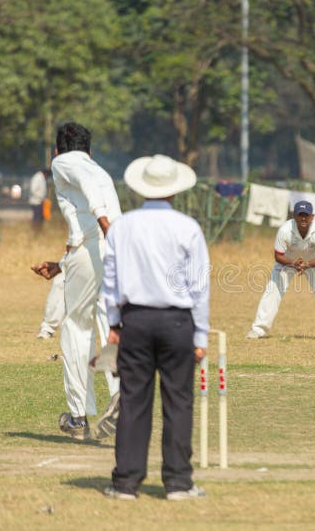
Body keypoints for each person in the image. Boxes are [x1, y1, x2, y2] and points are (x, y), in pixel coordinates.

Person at [100, 154, 208, 501]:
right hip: (177, 321)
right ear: (174, 191)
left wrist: (114, 323)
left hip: (135, 320)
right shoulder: (187, 227)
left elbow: (111, 281)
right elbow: (199, 285)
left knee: (134, 400)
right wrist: (200, 334)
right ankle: (178, 483)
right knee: (178, 400)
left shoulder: (123, 226)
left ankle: (126, 484)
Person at [30, 121, 121, 440]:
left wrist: (104, 221)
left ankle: (78, 416)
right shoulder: (100, 169)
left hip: (96, 244)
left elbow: (89, 199)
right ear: (90, 150)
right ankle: (121, 398)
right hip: (108, 251)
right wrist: (62, 264)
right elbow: (84, 222)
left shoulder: (64, 162)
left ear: (57, 150)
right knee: (109, 325)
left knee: (75, 328)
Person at [246, 200, 315, 340]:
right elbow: (278, 256)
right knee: (273, 290)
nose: (303, 218)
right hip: (287, 260)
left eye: (306, 215)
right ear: (293, 216)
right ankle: (257, 329)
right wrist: (293, 263)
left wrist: (306, 264)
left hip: (313, 261)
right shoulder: (284, 230)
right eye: (300, 215)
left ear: (312, 217)